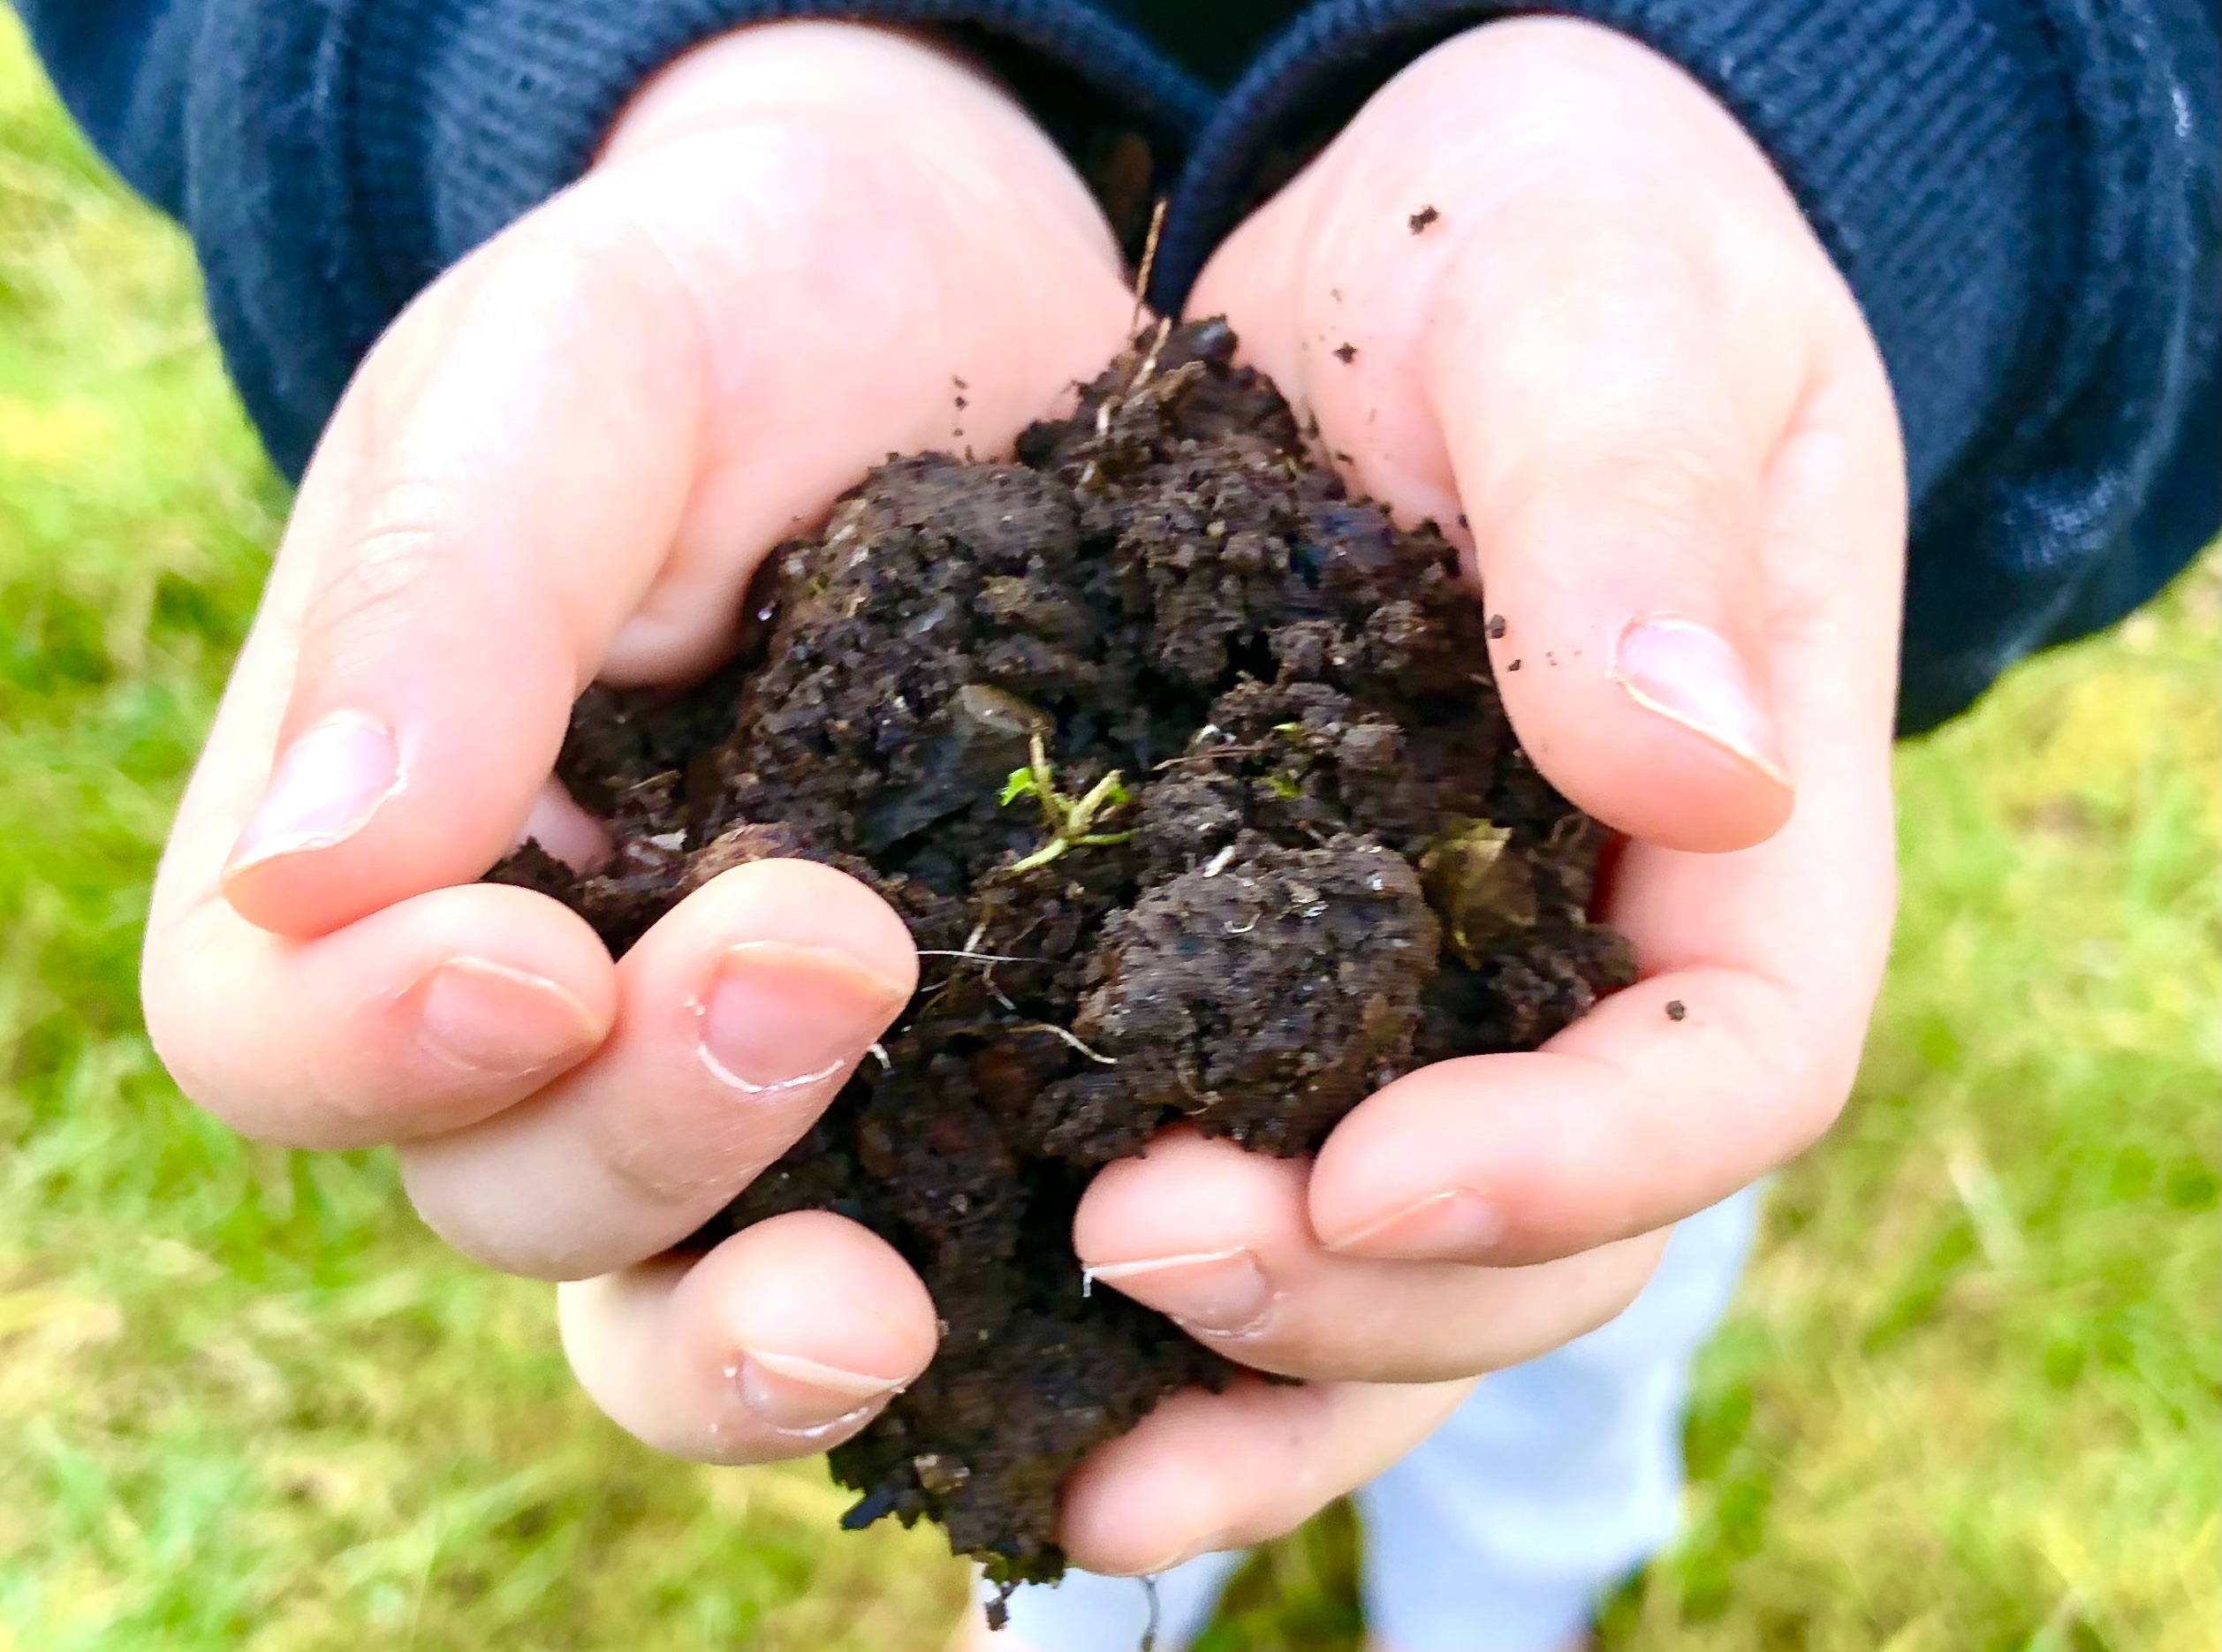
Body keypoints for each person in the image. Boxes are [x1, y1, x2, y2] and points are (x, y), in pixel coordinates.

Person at [23, 3, 2215, 1648]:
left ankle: (1520, 1574)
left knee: (1583, 1187)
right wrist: (640, 77)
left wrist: (1862, 130)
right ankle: (1069, 1538)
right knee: (1076, 1323)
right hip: (874, 239)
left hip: (1572, 631)